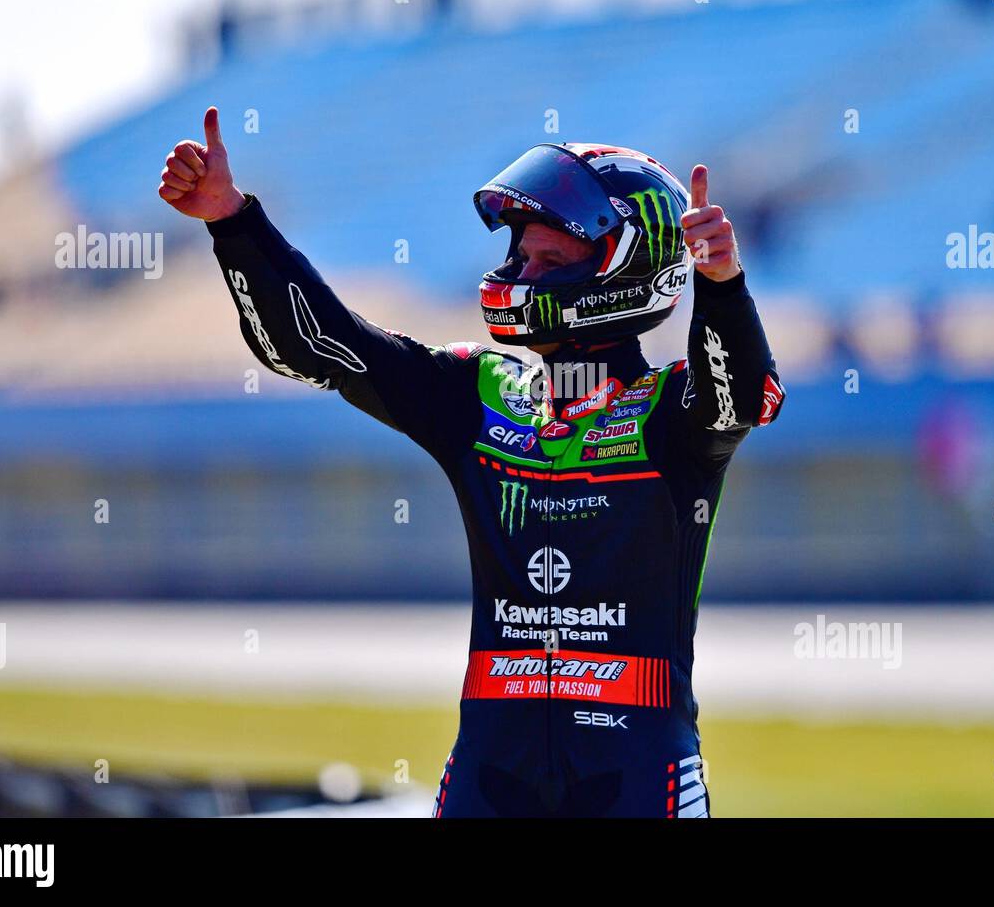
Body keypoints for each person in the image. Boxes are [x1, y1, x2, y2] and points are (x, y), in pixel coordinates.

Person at [159, 107, 785, 817]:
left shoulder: (672, 412)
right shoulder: (478, 395)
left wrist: (724, 283)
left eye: (548, 261)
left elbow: (743, 393)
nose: (519, 273)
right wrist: (233, 222)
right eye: (519, 256)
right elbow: (320, 345)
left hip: (637, 782)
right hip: (490, 779)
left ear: (622, 273)